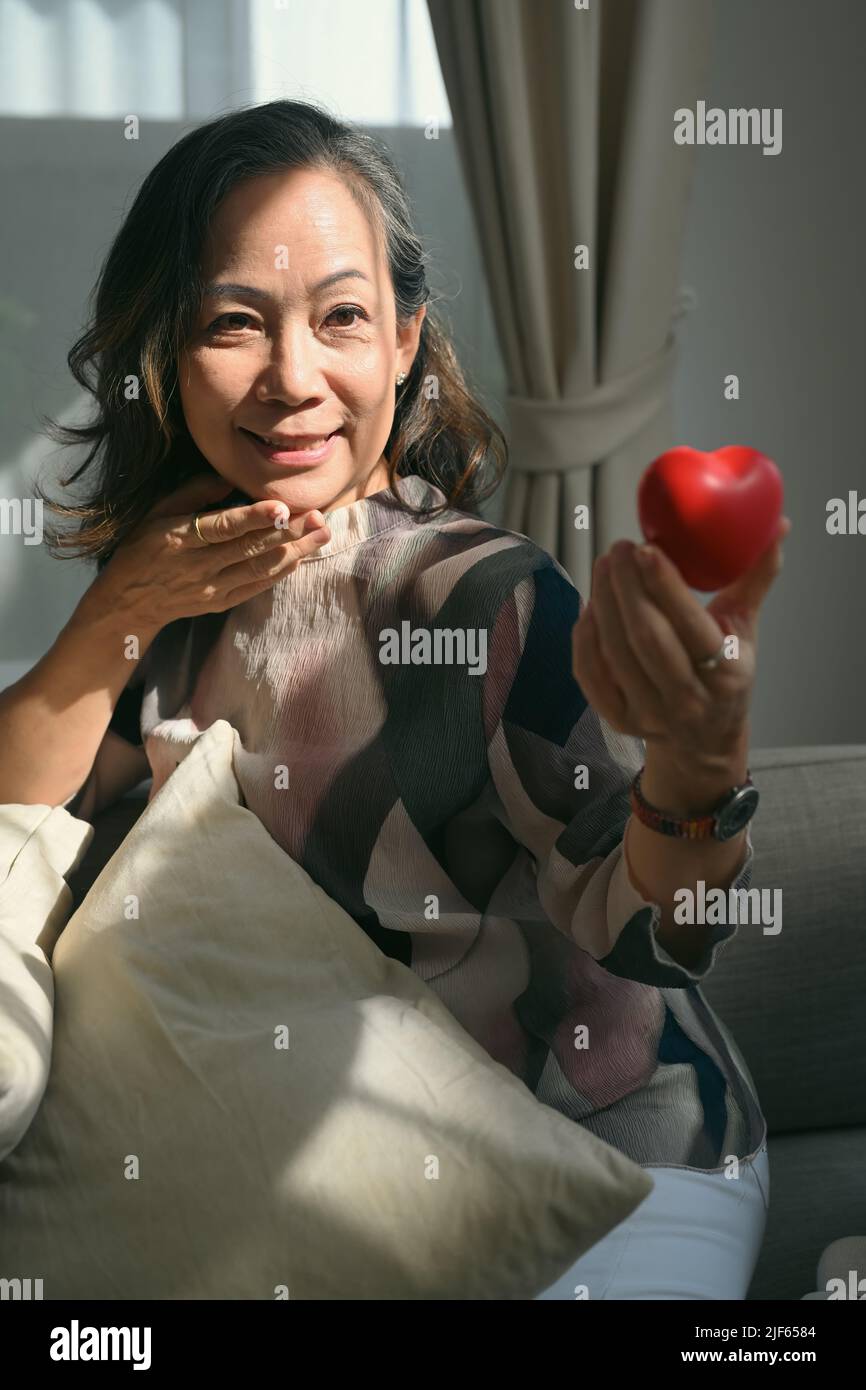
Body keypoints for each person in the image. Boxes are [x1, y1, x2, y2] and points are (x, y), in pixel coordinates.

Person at [0, 99, 789, 1300]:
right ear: (162, 349)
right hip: (339, 1198)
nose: (292, 378)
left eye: (341, 318)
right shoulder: (168, 599)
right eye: (233, 323)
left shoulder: (478, 596)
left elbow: (649, 934)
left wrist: (691, 781)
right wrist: (115, 614)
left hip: (608, 1163)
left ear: (407, 338)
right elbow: (16, 836)